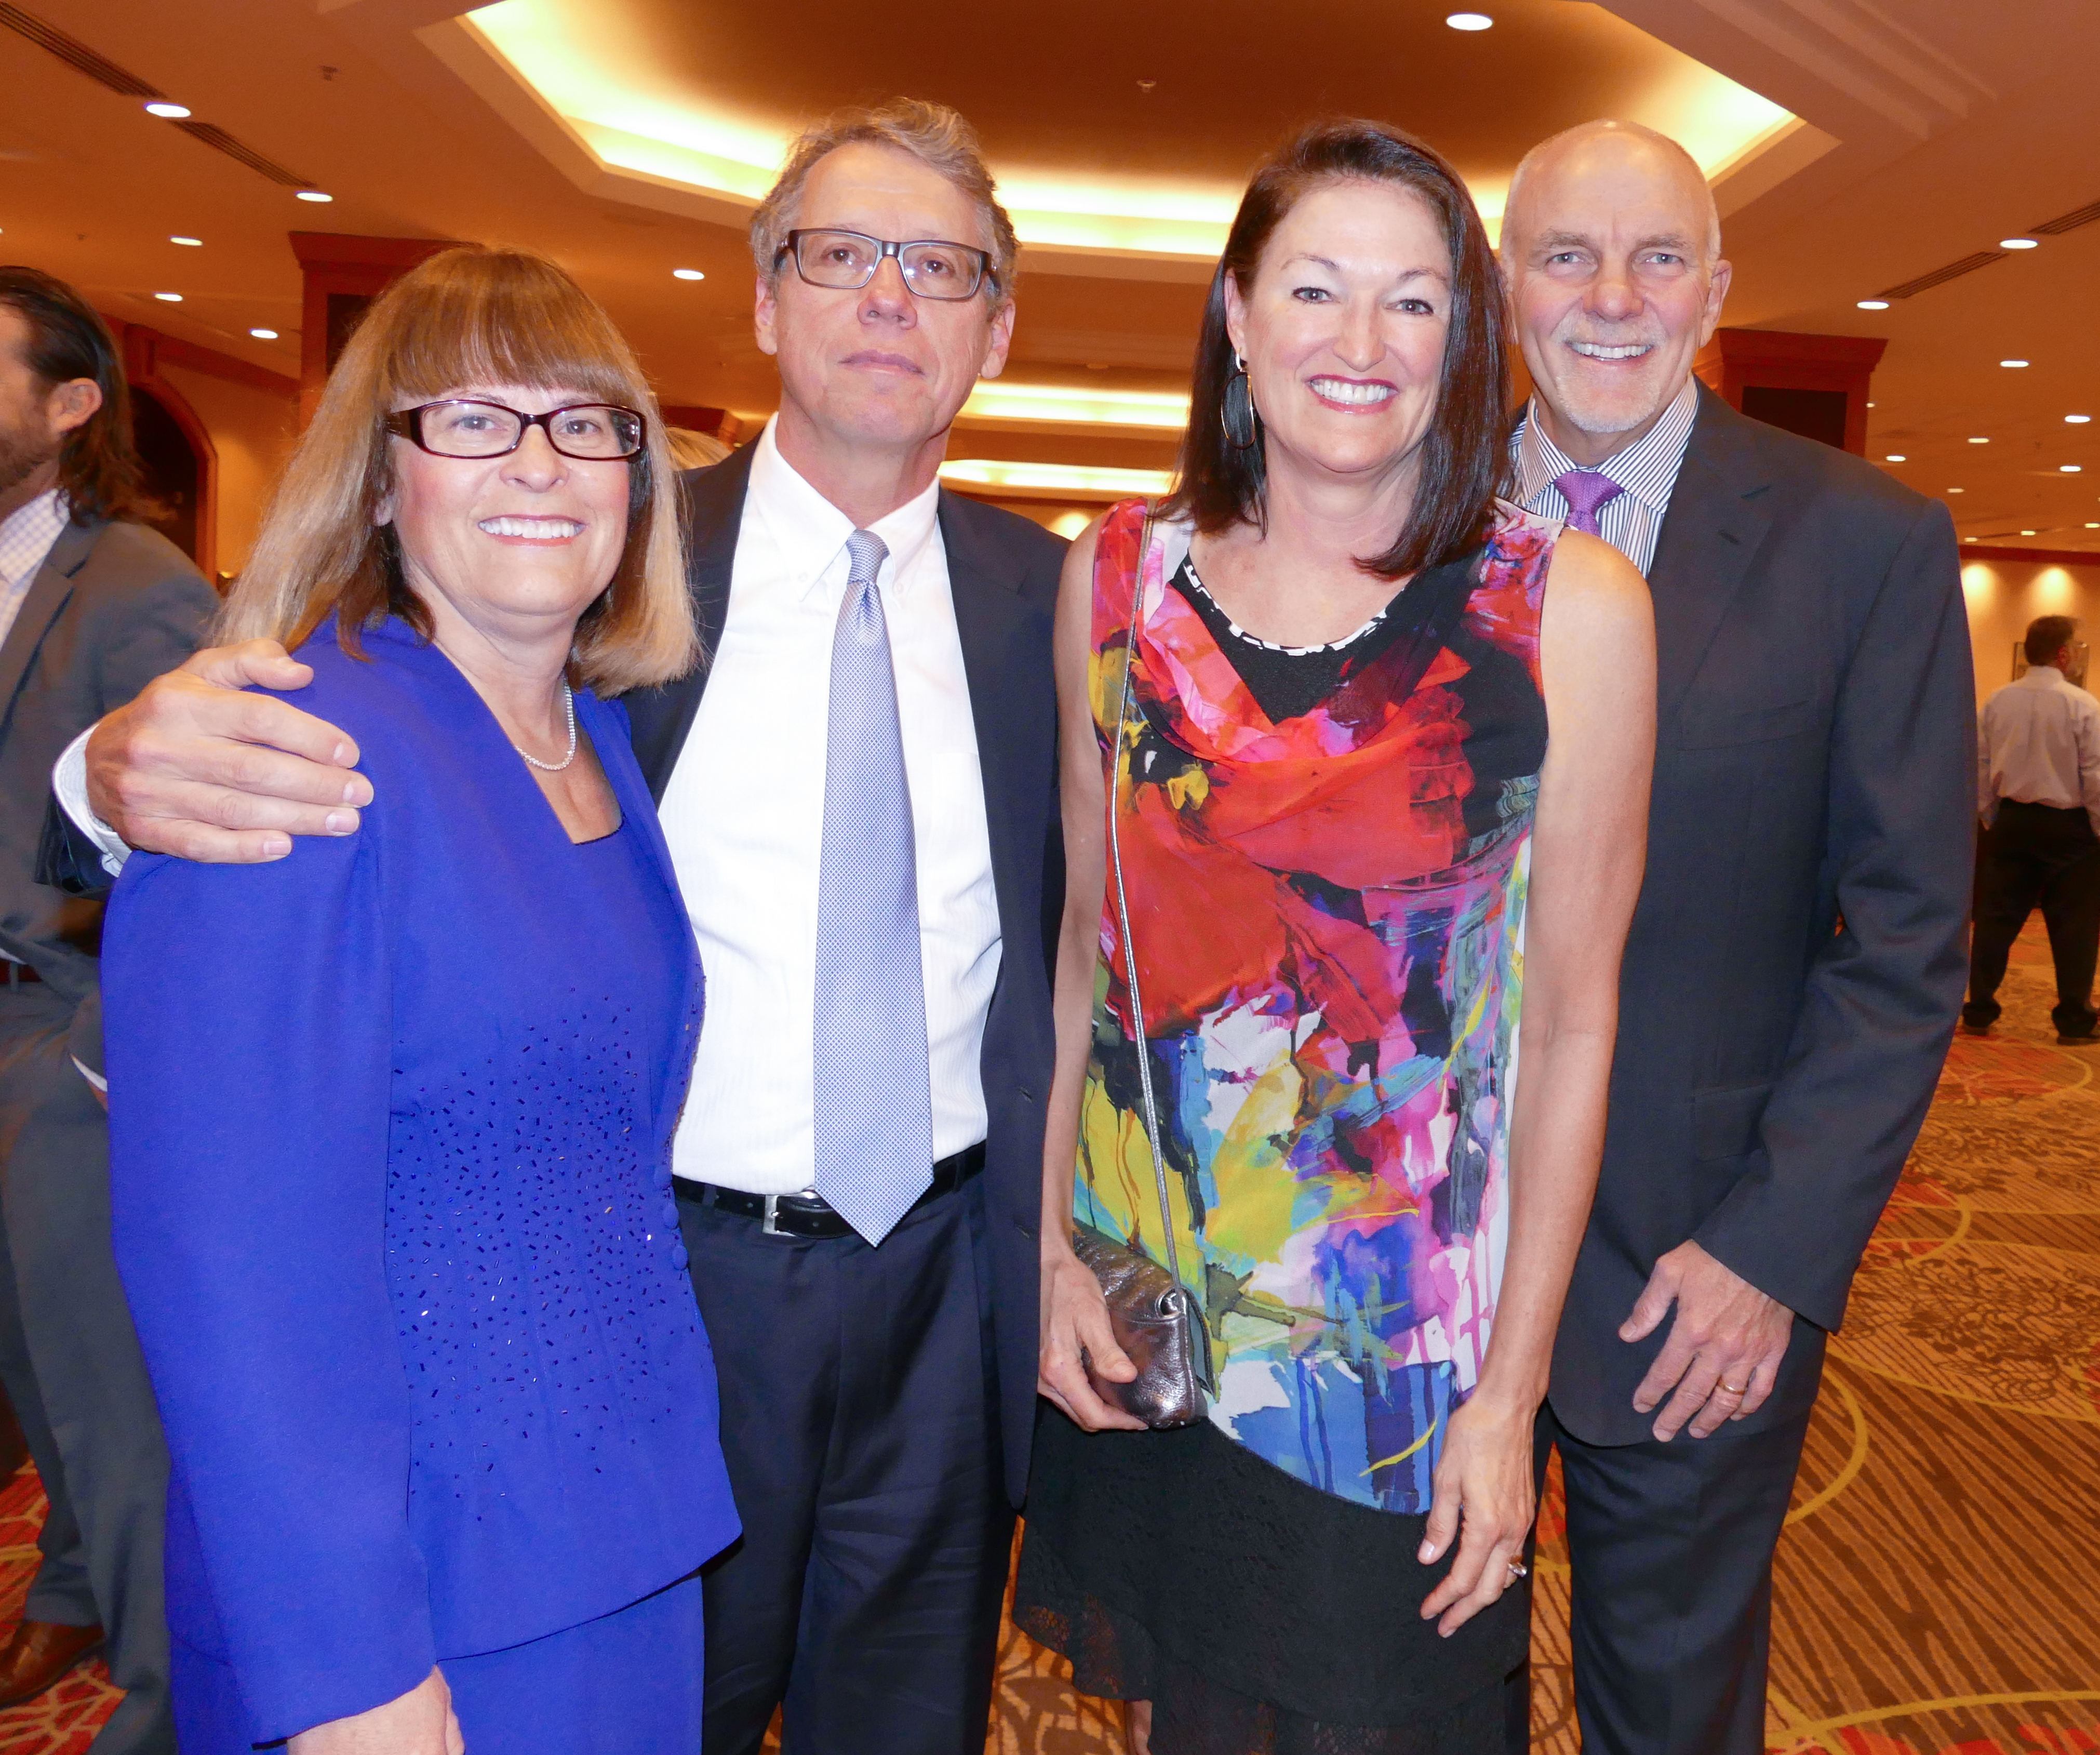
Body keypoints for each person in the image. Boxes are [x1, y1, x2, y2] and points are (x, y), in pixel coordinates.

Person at [50, 100, 1065, 1755]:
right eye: (840, 254)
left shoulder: (1056, 603)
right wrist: (105, 771)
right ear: (762, 298)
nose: (890, 296)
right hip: (669, 1289)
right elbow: (236, 1186)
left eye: (941, 266)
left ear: (998, 327)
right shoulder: (612, 584)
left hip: (935, 1309)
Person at [1019, 120, 1655, 1755]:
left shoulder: (1561, 608)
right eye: (1314, 288)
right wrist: (1043, 1265)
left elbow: (1573, 1025)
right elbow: (1089, 958)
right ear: (1236, 312)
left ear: (1465, 340)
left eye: (1413, 302)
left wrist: (1511, 1396)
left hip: (1398, 1370)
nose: (1360, 344)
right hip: (1156, 1324)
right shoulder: (1111, 585)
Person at [99, 245, 739, 1753]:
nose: (538, 462)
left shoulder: (596, 745)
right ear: (382, 478)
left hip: (618, 1543)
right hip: (407, 1605)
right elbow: (228, 1261)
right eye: (470, 419)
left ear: (636, 478)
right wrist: (349, 1676)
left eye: (585, 422)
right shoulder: (289, 753)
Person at [1500, 121, 1973, 1754]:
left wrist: (1774, 1247)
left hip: (1691, 1266)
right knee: (1394, 1700)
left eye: (1655, 256)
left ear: (1718, 286)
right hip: (1402, 1255)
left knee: (1671, 1711)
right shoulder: (1386, 520)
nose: (1612, 296)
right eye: (1567, 254)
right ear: (1506, 285)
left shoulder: (1865, 543)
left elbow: (1905, 940)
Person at [0, 268, 211, 1754]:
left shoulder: (139, 585)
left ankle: (162, 1706)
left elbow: (190, 860)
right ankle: (66, 1588)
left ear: (70, 408)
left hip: (65, 1038)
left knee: (111, 1410)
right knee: (29, 1368)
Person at [1964, 615, 2100, 1044]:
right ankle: (2073, 1020)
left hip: (2011, 823)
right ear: (2061, 654)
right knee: (2074, 926)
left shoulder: (1997, 701)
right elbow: (2094, 776)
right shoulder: (2082, 705)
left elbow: (1980, 765)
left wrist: (1990, 817)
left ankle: (1979, 1008)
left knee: (1995, 920)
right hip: (2070, 828)